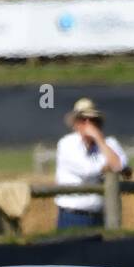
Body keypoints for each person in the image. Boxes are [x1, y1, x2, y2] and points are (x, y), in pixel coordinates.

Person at [53, 98, 128, 229]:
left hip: (100, 216)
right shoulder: (67, 144)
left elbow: (119, 165)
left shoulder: (108, 143)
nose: (89, 124)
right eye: (83, 120)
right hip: (72, 217)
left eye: (93, 120)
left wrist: (99, 139)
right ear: (75, 124)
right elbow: (87, 169)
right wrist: (107, 166)